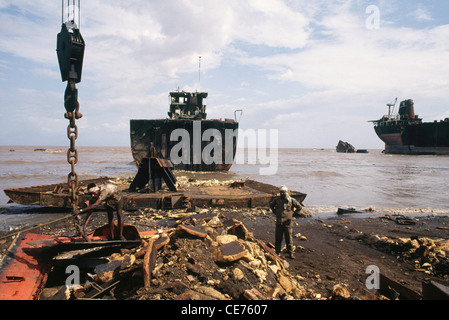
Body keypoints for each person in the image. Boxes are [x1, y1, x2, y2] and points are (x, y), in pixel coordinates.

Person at [269, 186, 303, 259]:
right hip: (279, 223)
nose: (282, 193)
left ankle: (290, 252)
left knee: (289, 238)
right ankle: (277, 252)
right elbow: (271, 205)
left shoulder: (291, 200)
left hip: (288, 223)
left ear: (287, 192)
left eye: (284, 192)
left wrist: (293, 213)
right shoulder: (276, 200)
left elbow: (299, 207)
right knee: (278, 238)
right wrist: (275, 212)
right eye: (281, 192)